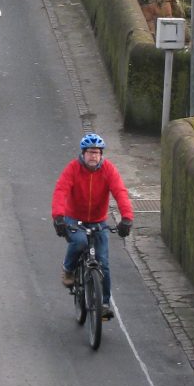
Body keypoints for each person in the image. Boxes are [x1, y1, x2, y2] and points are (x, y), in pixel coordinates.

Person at [52, 132, 133, 319]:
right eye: (90, 152)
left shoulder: (108, 170)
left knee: (103, 263)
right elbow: (61, 191)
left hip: (98, 220)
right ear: (83, 153)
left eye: (96, 152)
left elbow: (120, 192)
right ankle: (69, 270)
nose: (93, 156)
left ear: (101, 154)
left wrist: (126, 218)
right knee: (79, 242)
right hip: (74, 218)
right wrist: (58, 218)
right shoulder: (73, 169)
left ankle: (104, 303)